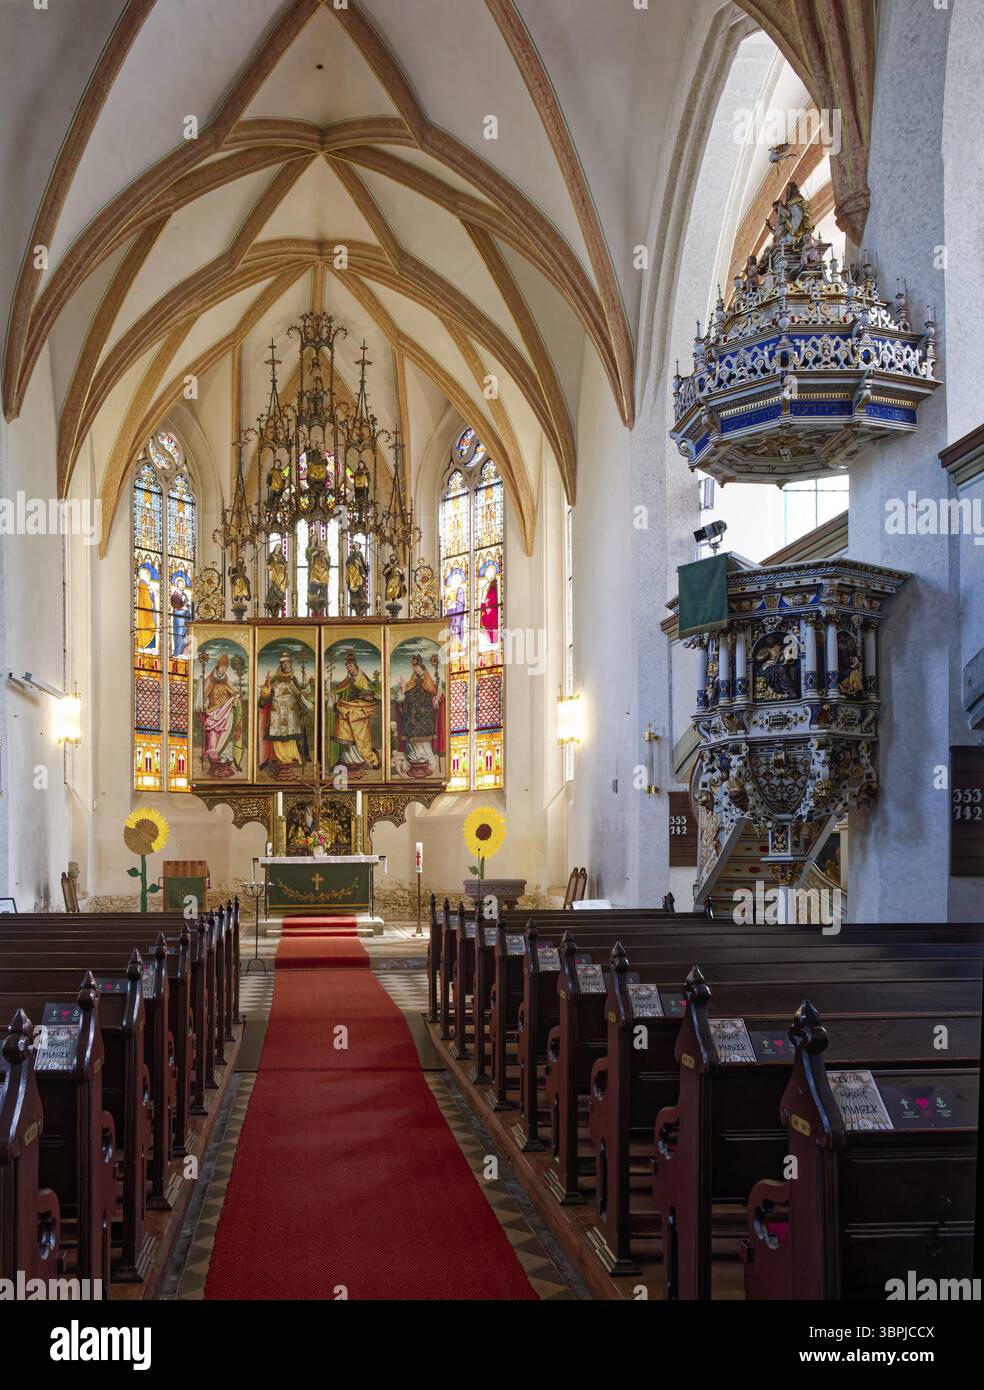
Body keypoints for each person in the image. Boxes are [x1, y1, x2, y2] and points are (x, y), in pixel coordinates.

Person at [258, 651, 314, 778]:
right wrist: (266, 688)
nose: (287, 666)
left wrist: (309, 684)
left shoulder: (293, 678)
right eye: (285, 664)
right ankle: (281, 760)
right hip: (277, 714)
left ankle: (289, 760)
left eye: (289, 663)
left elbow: (300, 693)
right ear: (281, 665)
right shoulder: (273, 678)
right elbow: (264, 696)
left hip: (291, 714)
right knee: (277, 738)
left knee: (290, 737)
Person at [200, 652, 244, 776]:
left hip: (225, 711)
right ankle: (214, 757)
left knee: (225, 733)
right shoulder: (210, 679)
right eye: (222, 668)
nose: (223, 670)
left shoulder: (226, 679)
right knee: (213, 734)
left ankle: (224, 758)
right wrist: (204, 703)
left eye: (225, 668)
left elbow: (234, 690)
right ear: (217, 667)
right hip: (213, 712)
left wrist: (237, 695)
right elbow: (204, 694)